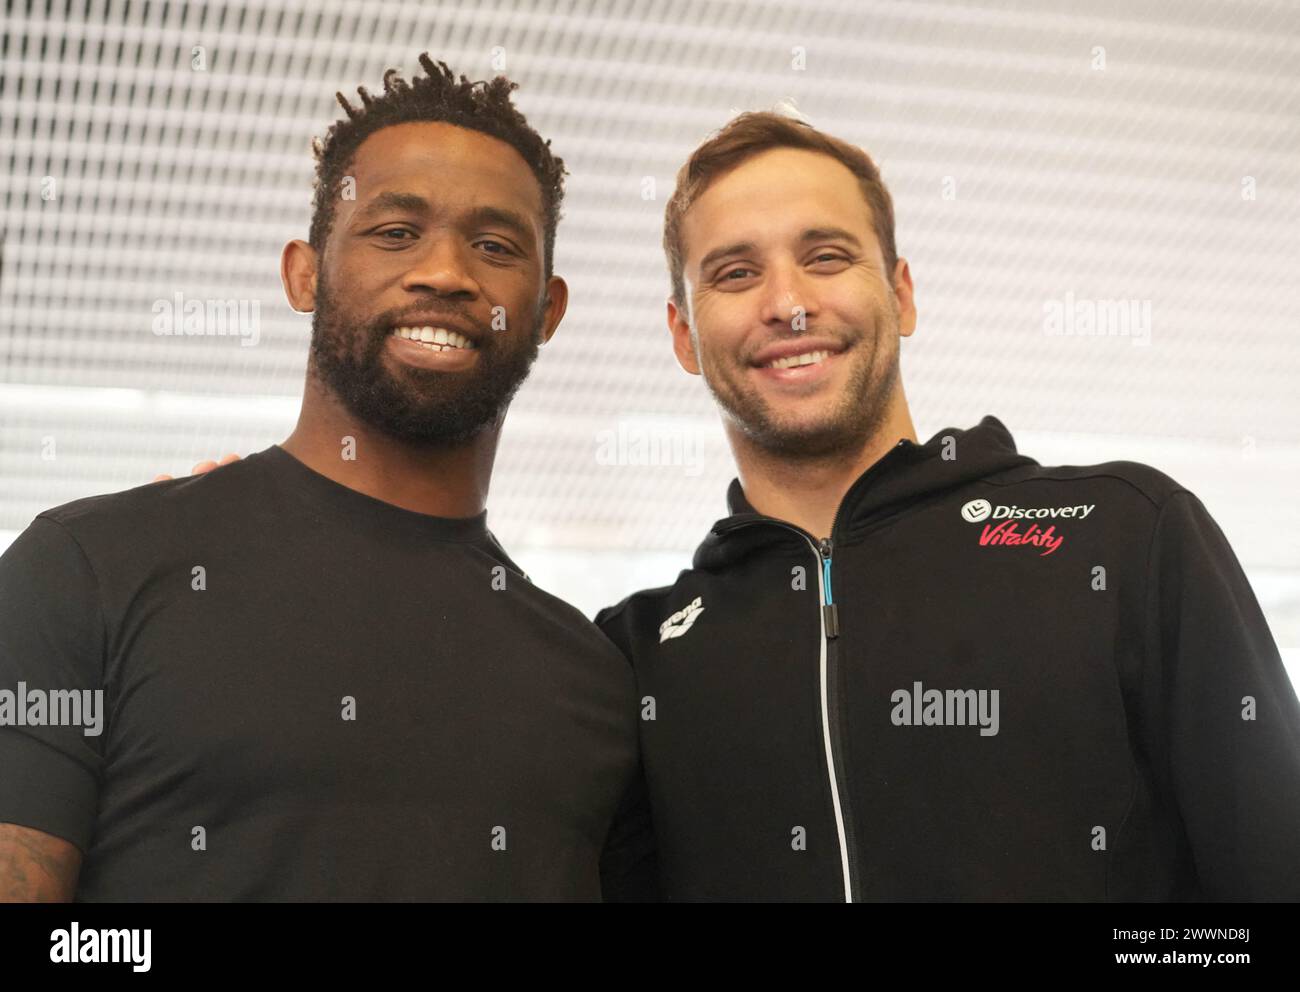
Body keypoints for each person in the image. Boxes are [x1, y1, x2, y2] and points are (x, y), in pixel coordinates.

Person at [594, 110, 1300, 901]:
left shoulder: (1126, 535)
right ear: (684, 336)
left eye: (826, 256)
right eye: (734, 273)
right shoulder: (631, 658)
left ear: (902, 294)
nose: (787, 302)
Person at [0, 54, 655, 902]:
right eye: (395, 232)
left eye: (494, 245)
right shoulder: (87, 570)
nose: (446, 272)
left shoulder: (596, 683)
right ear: (304, 273)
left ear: (548, 308)